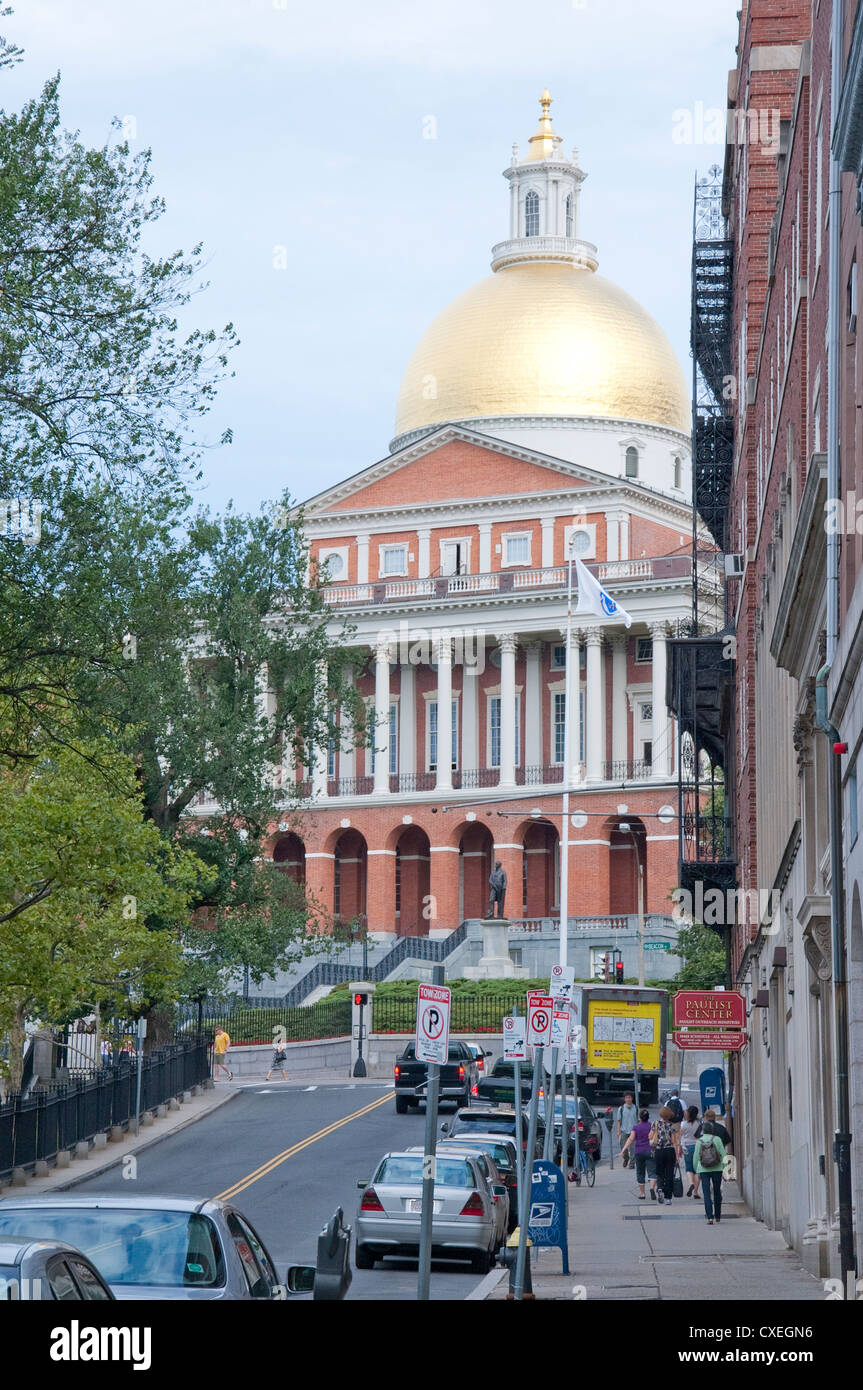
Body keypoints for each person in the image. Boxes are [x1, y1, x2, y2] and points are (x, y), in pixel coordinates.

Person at [620, 1107, 657, 1200]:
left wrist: (624, 1149)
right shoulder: (652, 1125)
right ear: (648, 1117)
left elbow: (631, 1139)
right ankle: (652, 1188)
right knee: (652, 1171)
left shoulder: (636, 1127)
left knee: (640, 1172)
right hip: (650, 1150)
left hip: (639, 1151)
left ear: (639, 1118)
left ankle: (643, 1193)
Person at [694, 1120, 727, 1224]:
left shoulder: (699, 1141)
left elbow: (696, 1157)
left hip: (704, 1170)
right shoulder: (717, 1139)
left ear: (703, 1131)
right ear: (712, 1131)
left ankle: (710, 1217)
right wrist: (725, 1169)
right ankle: (718, 1215)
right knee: (717, 1192)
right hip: (717, 1169)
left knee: (706, 1193)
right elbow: (723, 1154)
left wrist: (696, 1169)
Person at [651, 1104, 682, 1205]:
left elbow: (650, 1136)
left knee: (659, 1172)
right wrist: (677, 1155)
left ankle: (660, 1188)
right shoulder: (671, 1126)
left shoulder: (655, 1124)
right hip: (669, 1151)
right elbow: (674, 1141)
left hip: (659, 1150)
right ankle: (668, 1198)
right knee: (669, 1174)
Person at [680, 1105, 701, 1198]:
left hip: (686, 1147)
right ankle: (695, 1192)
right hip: (697, 1146)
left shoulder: (683, 1124)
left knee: (689, 1168)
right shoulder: (699, 1123)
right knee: (697, 1170)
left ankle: (691, 1183)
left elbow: (680, 1135)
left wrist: (679, 1148)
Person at [616, 1092, 638, 1168]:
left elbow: (638, 1120)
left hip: (633, 1131)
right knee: (623, 1147)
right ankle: (626, 1158)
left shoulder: (636, 1108)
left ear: (632, 1098)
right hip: (624, 1131)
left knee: (633, 1148)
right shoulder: (621, 1109)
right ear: (624, 1099)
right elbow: (618, 1121)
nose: (628, 1099)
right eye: (626, 1098)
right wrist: (618, 1131)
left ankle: (632, 1163)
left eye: (629, 1097)